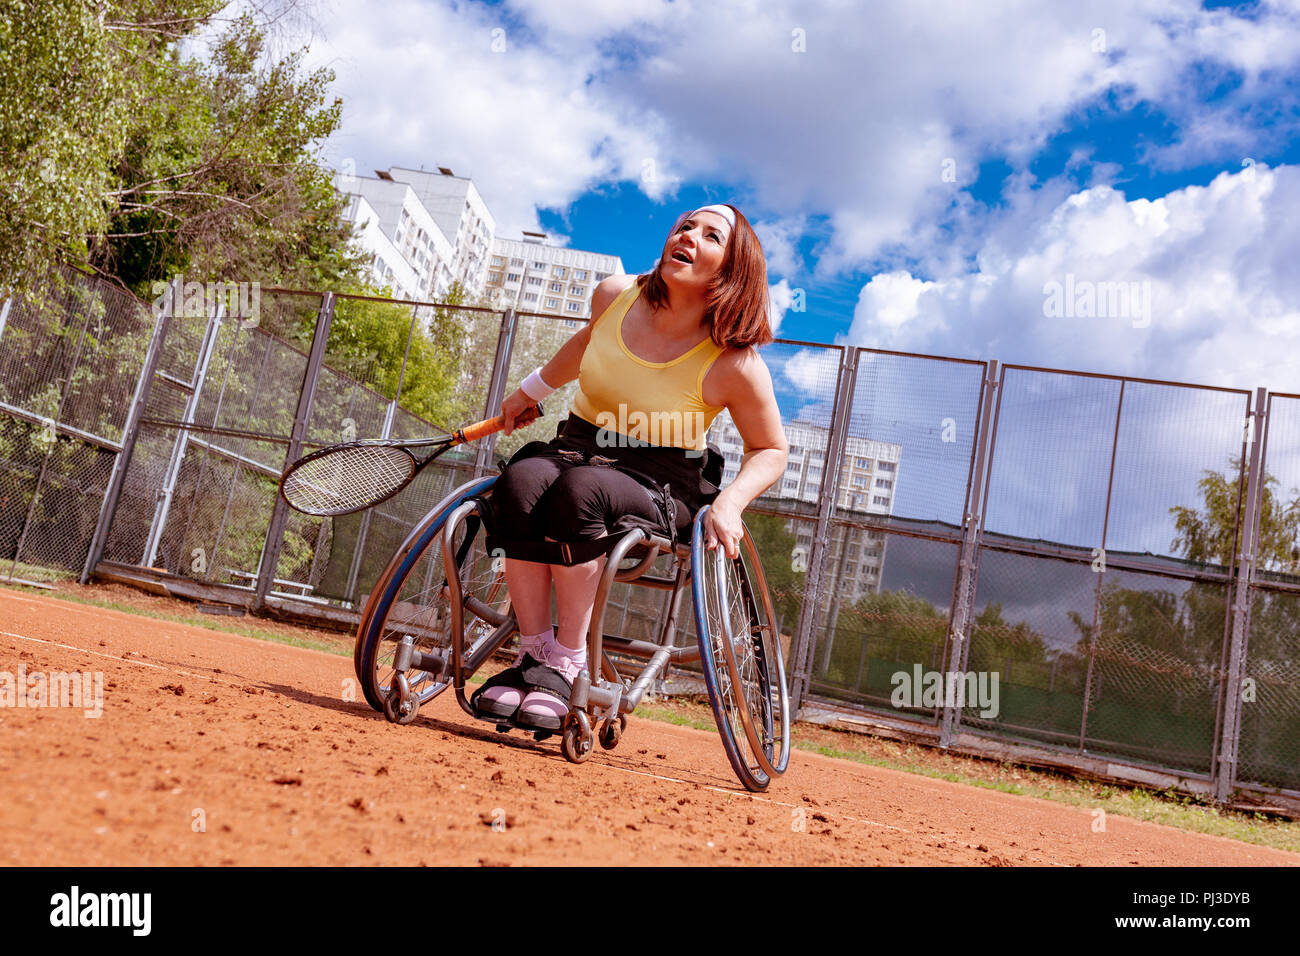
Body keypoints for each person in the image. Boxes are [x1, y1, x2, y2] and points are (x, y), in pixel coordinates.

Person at [471, 202, 789, 731]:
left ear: (732, 270)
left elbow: (771, 449)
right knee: (522, 481)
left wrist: (731, 503)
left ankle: (569, 663)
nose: (689, 236)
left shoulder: (735, 362)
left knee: (582, 491)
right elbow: (585, 341)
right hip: (577, 444)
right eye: (685, 226)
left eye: (711, 235)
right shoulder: (615, 295)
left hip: (661, 479)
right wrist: (530, 392)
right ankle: (534, 657)